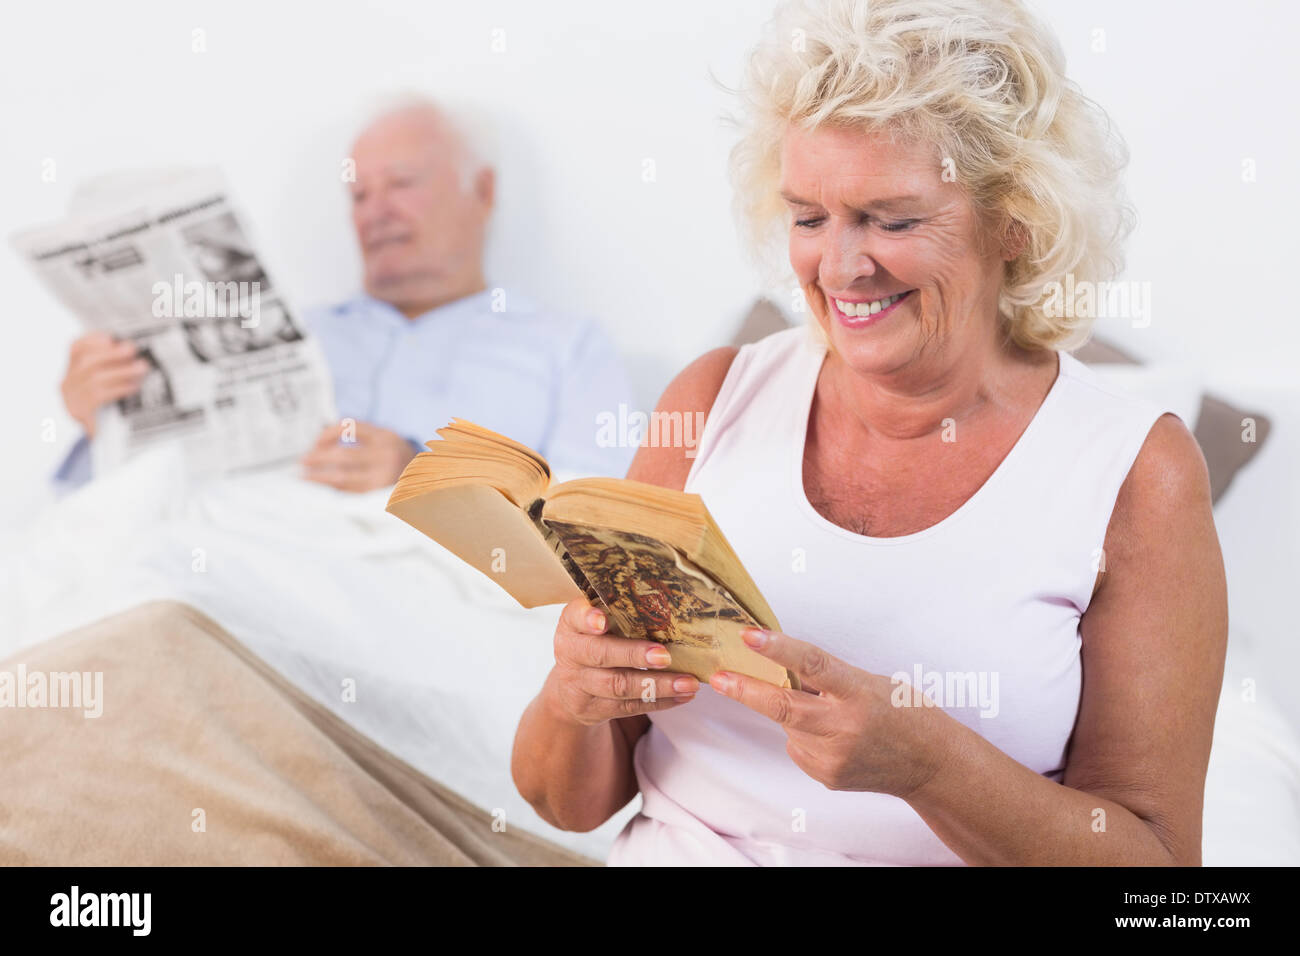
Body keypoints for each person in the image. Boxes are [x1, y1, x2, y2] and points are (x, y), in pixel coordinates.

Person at [511, 0, 1227, 865]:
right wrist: (573, 698)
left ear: (1015, 219)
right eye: (810, 217)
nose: (841, 267)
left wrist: (931, 766)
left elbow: (1163, 885)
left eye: (892, 219)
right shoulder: (711, 400)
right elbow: (565, 802)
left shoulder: (1134, 471)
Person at [53, 96, 636, 493]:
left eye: (402, 185)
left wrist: (426, 476)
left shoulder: (566, 347)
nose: (375, 212)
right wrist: (101, 423)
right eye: (358, 196)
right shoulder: (296, 333)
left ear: (481, 192)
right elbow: (106, 514)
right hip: (235, 580)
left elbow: (601, 520)